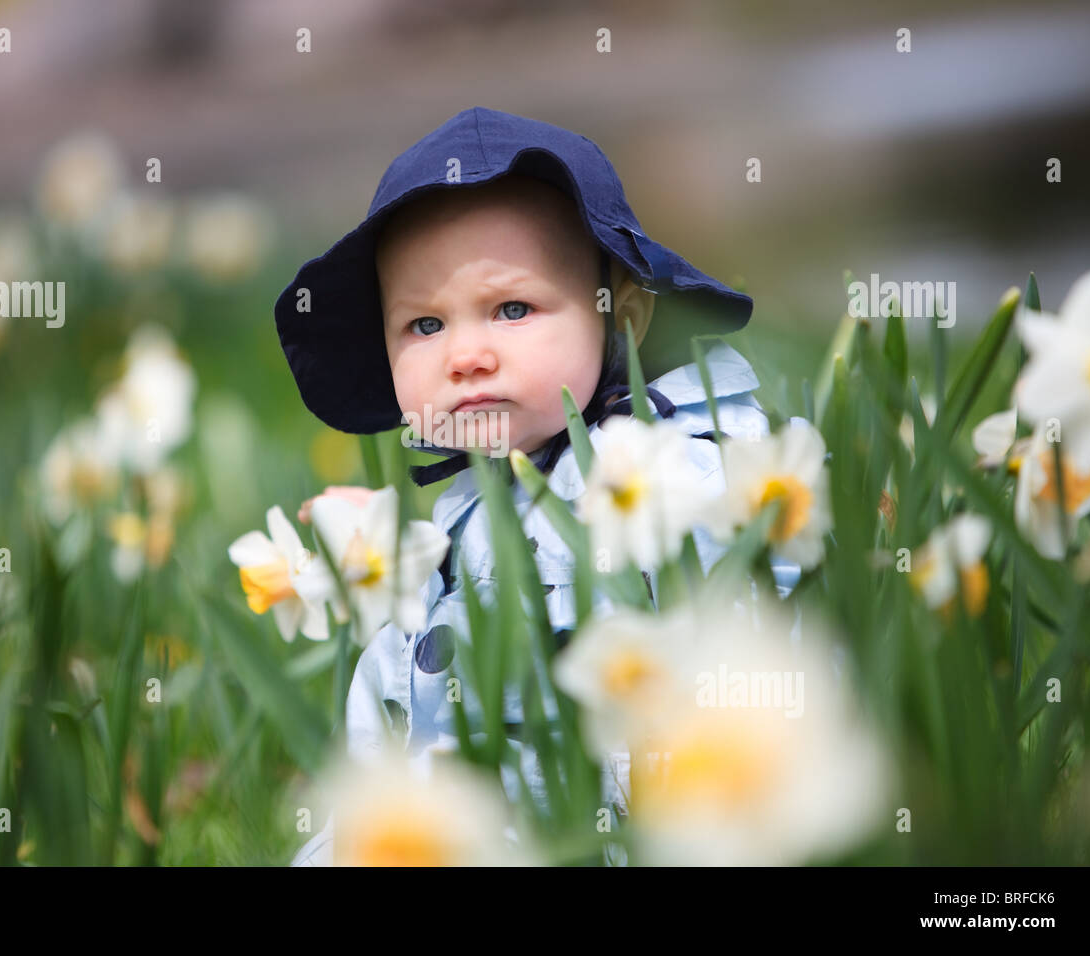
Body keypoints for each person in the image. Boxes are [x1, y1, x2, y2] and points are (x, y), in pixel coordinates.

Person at [272, 107, 799, 865]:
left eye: (512, 309)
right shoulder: (455, 524)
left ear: (624, 318)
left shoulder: (674, 475)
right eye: (424, 326)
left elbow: (759, 655)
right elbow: (395, 710)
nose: (466, 356)